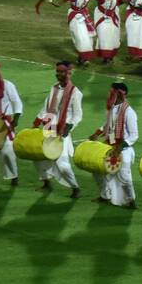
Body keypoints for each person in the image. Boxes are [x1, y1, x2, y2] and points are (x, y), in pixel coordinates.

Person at [32, 60, 82, 198]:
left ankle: (75, 188)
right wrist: (37, 121)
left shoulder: (75, 92)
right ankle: (46, 182)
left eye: (62, 71)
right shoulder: (53, 88)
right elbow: (46, 107)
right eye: (57, 71)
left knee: (62, 164)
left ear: (68, 73)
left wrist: (68, 128)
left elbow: (78, 115)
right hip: (48, 127)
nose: (58, 74)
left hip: (62, 131)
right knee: (38, 157)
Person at [88, 82, 138, 208]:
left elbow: (134, 135)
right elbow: (107, 124)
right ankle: (104, 195)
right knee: (97, 169)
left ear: (121, 93)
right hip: (109, 146)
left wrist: (119, 148)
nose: (110, 93)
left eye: (113, 91)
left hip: (124, 148)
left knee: (124, 176)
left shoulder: (129, 112)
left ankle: (131, 200)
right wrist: (97, 133)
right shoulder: (112, 108)